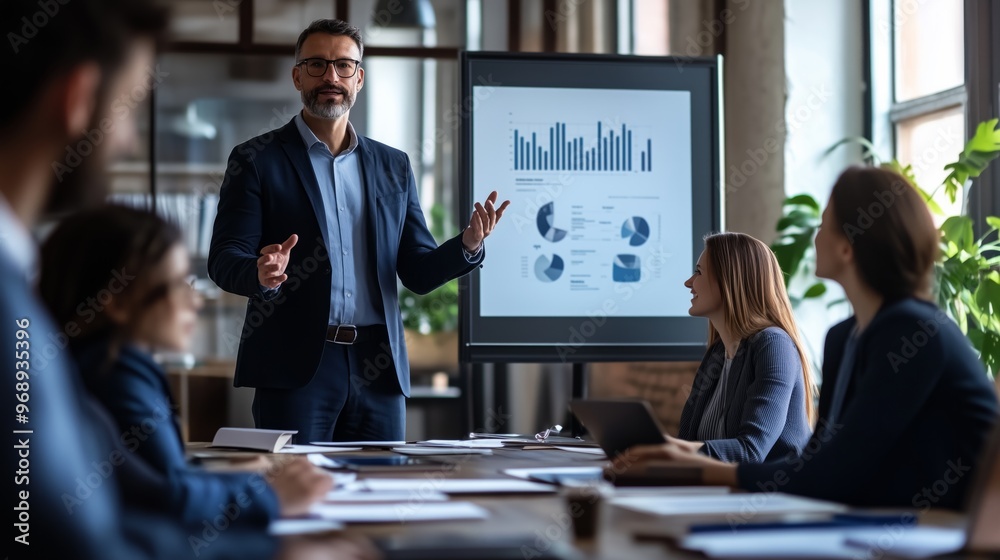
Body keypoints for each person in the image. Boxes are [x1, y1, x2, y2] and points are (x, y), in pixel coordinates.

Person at [619, 166, 1000, 509]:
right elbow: (819, 461)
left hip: (958, 530)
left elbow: (836, 471)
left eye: (823, 225)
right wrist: (679, 459)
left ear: (847, 247)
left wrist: (696, 469)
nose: (815, 237)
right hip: (894, 521)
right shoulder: (842, 337)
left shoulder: (912, 330)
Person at [209, 18, 510, 442]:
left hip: (379, 368)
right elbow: (224, 258)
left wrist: (467, 245)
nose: (331, 77)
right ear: (297, 76)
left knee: (383, 482)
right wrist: (260, 274)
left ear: (359, 78)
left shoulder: (393, 165)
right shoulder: (256, 159)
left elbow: (417, 271)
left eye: (343, 65)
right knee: (301, 484)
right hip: (296, 367)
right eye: (316, 64)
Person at [38, 205, 333, 526]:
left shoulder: (101, 365)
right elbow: (168, 502)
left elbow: (159, 479)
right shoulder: (117, 378)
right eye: (179, 284)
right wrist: (269, 496)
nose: (196, 301)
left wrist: (232, 474)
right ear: (119, 303)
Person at [673, 232, 814, 463]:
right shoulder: (717, 354)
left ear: (729, 280)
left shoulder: (773, 344)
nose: (689, 282)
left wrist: (668, 449)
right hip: (717, 483)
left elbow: (751, 451)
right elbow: (688, 440)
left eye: (699, 272)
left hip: (773, 486)